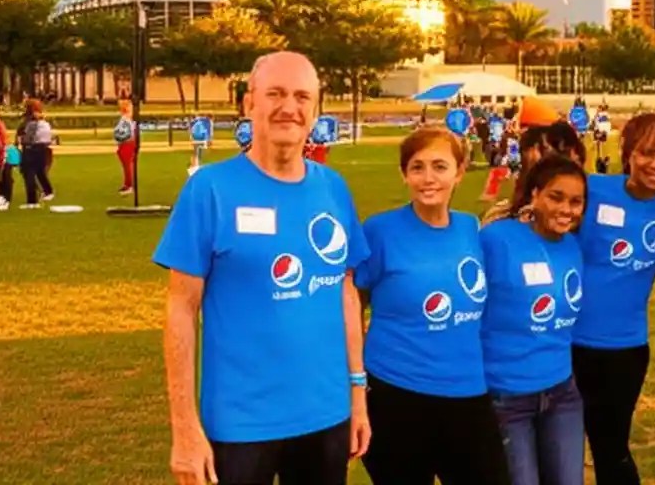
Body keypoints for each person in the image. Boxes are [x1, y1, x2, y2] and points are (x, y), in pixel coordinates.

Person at [153, 51, 371, 485]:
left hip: (326, 416)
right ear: (248, 103)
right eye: (275, 93)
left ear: (315, 111)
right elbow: (180, 310)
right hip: (240, 425)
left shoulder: (333, 187)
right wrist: (184, 428)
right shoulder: (209, 189)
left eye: (302, 96)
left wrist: (357, 395)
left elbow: (345, 293)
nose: (289, 106)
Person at [355, 128, 510, 485]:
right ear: (404, 174)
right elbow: (351, 305)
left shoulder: (471, 229)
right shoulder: (380, 231)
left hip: (468, 394)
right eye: (417, 167)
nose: (428, 178)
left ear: (459, 171)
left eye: (440, 166)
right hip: (397, 397)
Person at [573, 113, 655, 485]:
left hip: (625, 349)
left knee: (611, 449)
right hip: (563, 343)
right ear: (627, 152)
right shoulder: (592, 190)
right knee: (562, 449)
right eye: (647, 153)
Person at [481, 155, 588, 485]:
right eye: (556, 197)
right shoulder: (497, 240)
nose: (565, 209)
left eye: (575, 202)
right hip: (507, 397)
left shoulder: (572, 247)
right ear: (534, 195)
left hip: (561, 393)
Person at [18, 99, 55, 208]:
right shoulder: (43, 120)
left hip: (30, 148)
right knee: (39, 171)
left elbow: (24, 136)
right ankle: (48, 191)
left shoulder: (28, 121)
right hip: (42, 148)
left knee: (28, 173)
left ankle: (32, 200)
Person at [114, 100, 137, 195]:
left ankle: (129, 186)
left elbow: (127, 133)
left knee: (128, 166)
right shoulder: (125, 118)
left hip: (127, 143)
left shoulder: (126, 119)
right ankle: (127, 184)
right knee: (126, 166)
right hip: (124, 144)